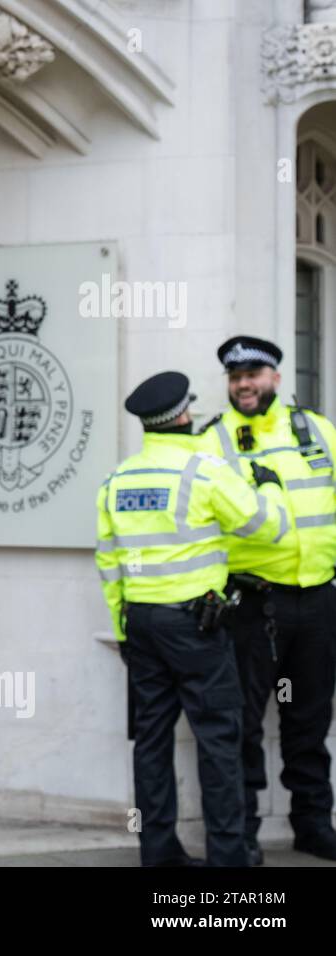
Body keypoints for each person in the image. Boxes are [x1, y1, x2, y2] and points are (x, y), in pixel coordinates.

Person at [96, 371, 287, 866]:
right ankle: (228, 859)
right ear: (183, 416)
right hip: (195, 629)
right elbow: (264, 529)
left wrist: (122, 630)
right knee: (218, 739)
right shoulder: (205, 471)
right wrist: (269, 490)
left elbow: (109, 564)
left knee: (151, 742)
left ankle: (158, 854)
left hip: (140, 624)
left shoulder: (119, 479)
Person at [197, 335, 336, 863]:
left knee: (310, 719)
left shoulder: (318, 431)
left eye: (253, 375)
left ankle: (313, 825)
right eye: (235, 378)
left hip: (318, 599)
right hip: (252, 605)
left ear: (276, 378)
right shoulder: (213, 441)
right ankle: (242, 834)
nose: (243, 385)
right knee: (242, 725)